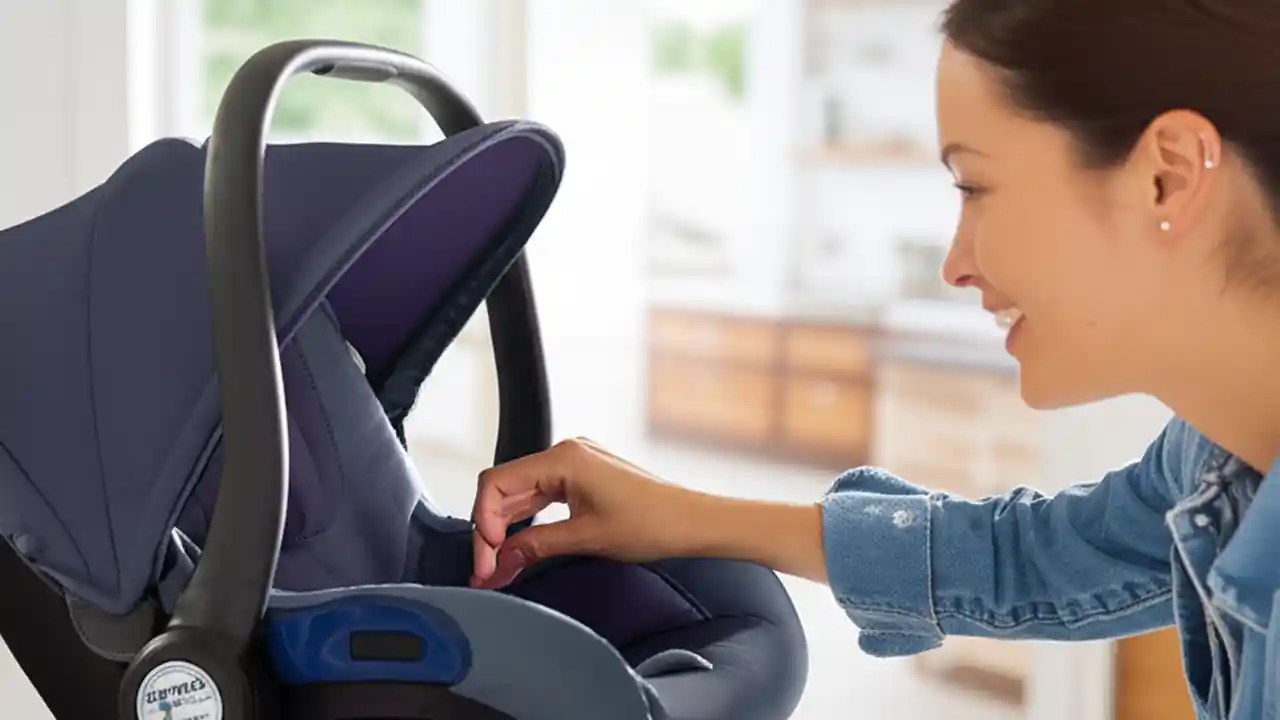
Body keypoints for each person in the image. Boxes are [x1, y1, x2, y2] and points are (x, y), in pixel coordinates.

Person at [469, 1, 1280, 718]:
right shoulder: (1211, 454)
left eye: (975, 188)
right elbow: (1024, 559)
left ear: (1167, 179)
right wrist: (682, 515)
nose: (955, 264)